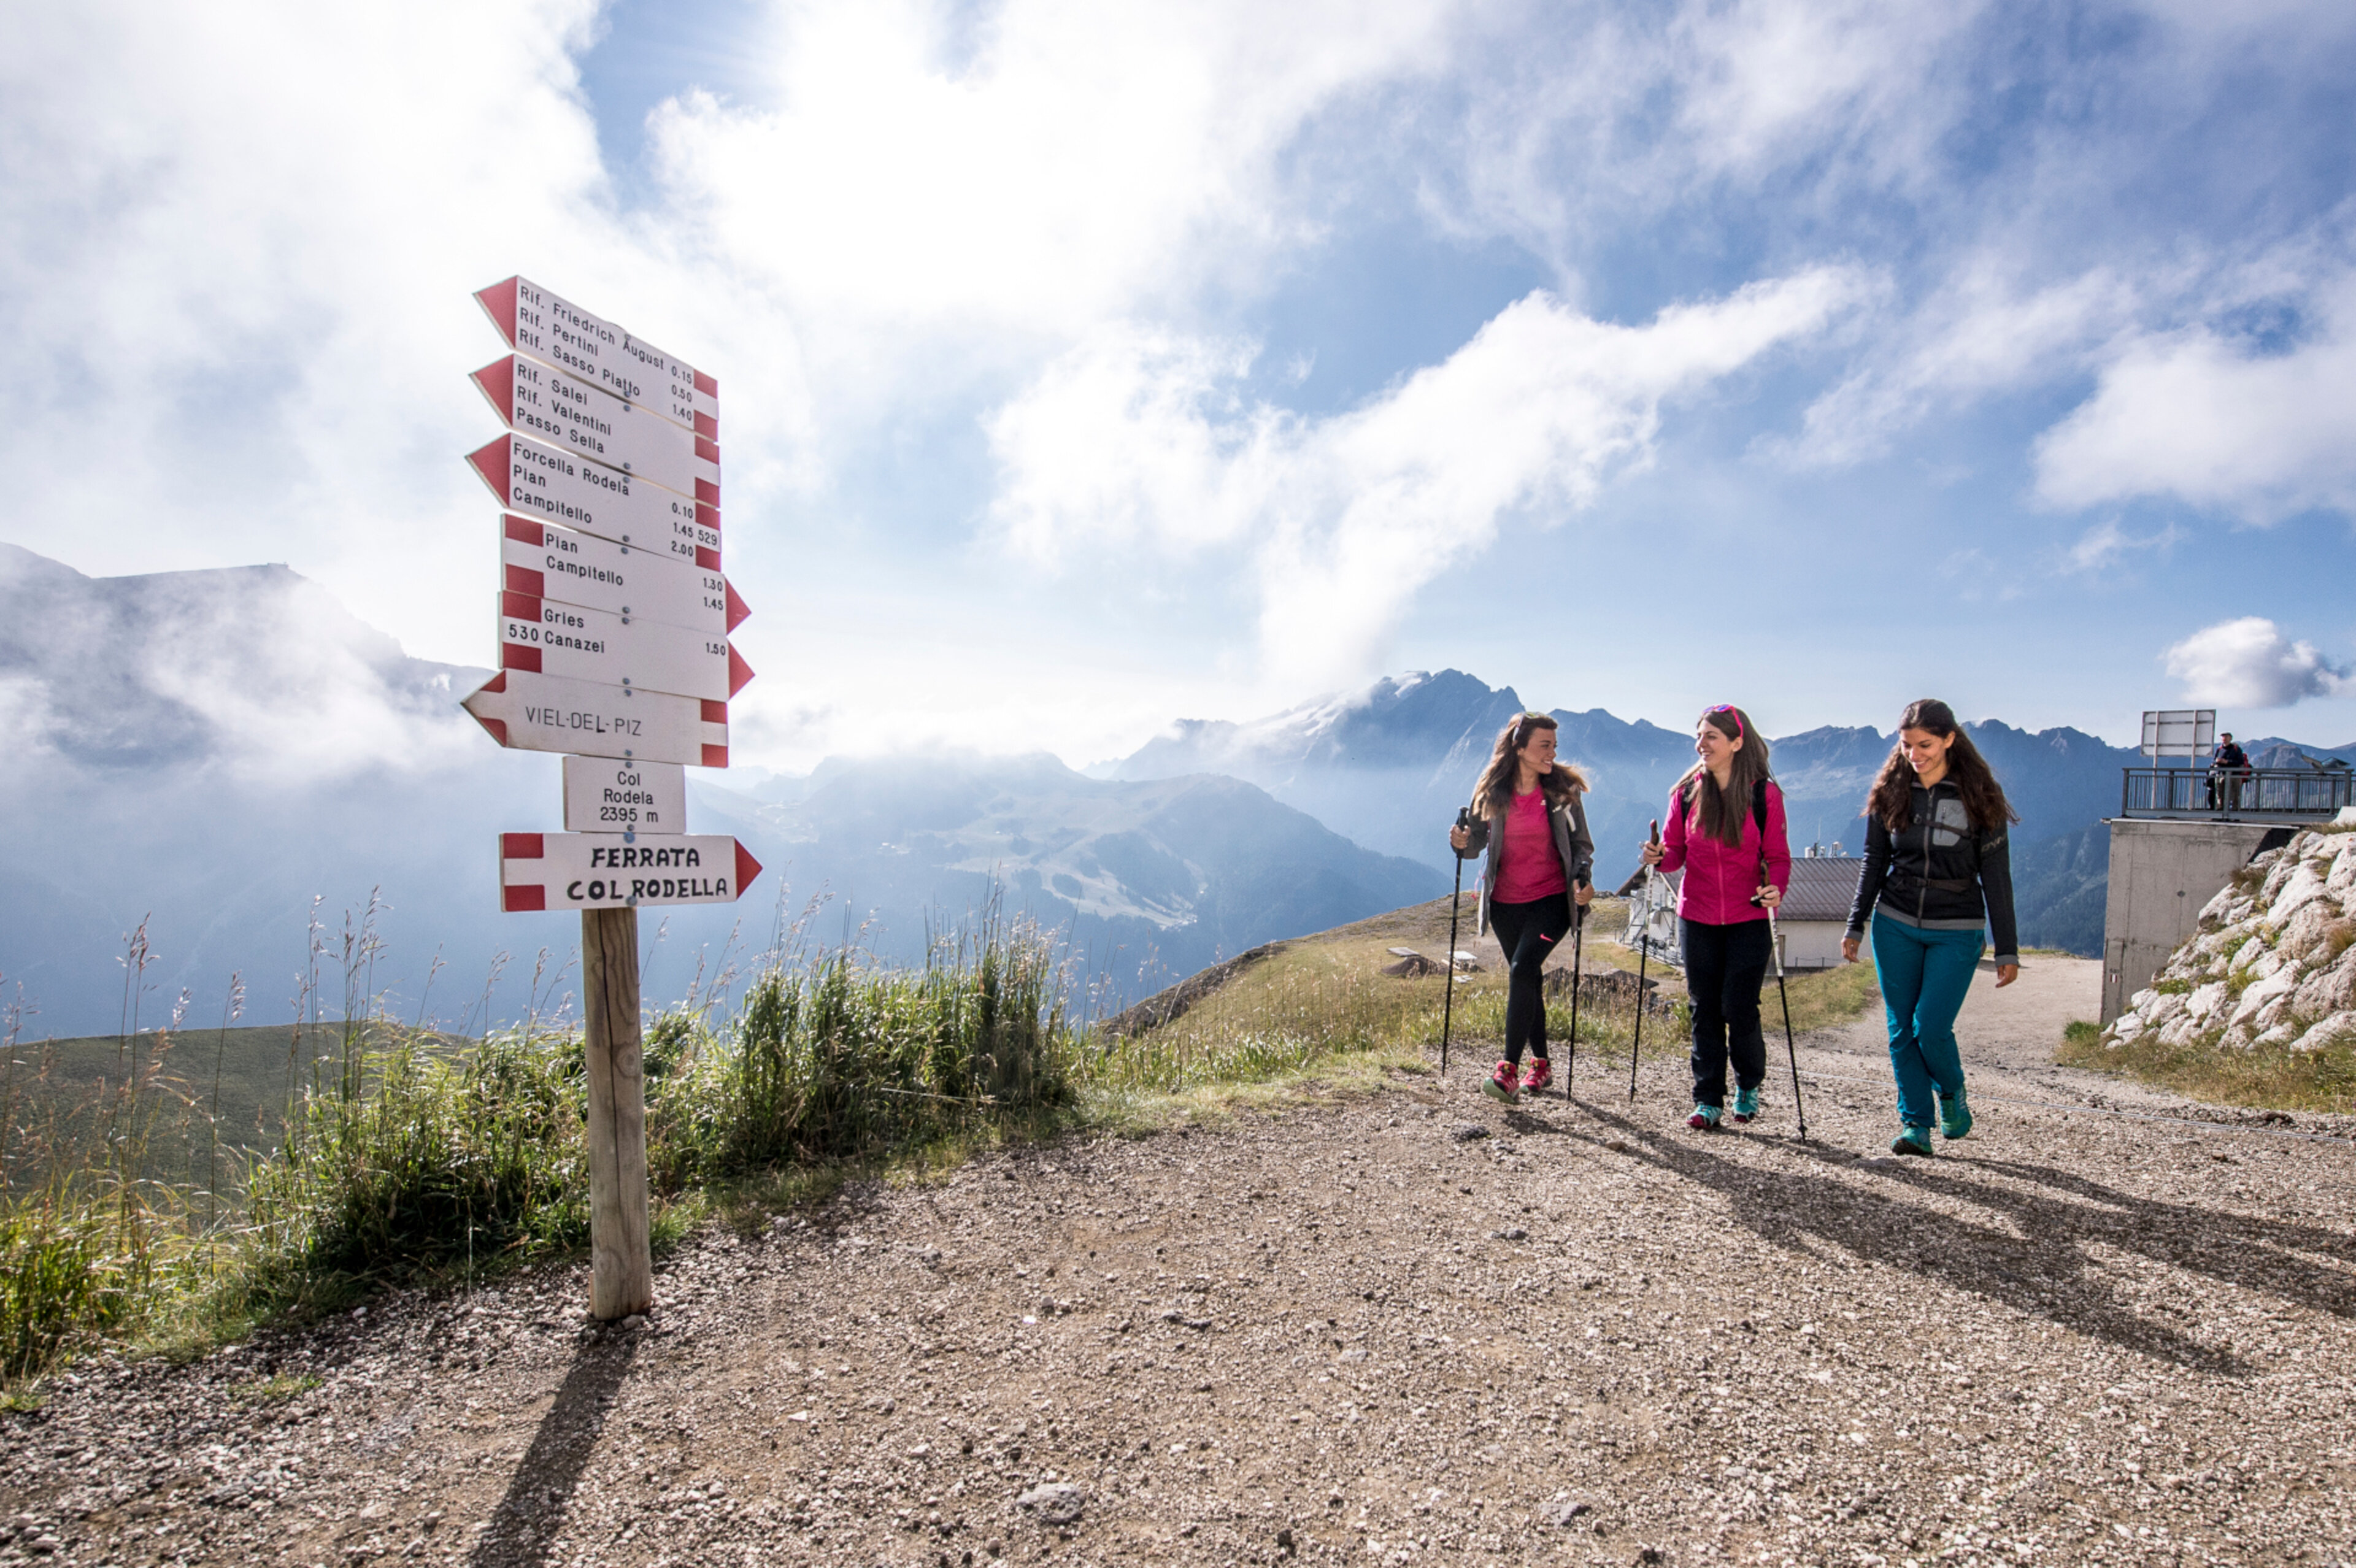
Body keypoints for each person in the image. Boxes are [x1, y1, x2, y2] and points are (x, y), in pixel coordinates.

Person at [1841, 698, 2020, 1156]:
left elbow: (1996, 876)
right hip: (1895, 921)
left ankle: (1952, 1089)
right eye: (1906, 745)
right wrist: (1856, 923)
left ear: (1949, 740)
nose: (1914, 754)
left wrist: (2007, 949)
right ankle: (1916, 1125)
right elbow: (1874, 862)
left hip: (1957, 927)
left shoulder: (1980, 795)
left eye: (1925, 745)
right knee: (1901, 1029)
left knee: (1931, 1028)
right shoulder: (1891, 791)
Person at [1638, 705, 1790, 1131]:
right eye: (1699, 735)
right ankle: (1707, 1099)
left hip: (1749, 916)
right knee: (1704, 1008)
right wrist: (1658, 856)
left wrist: (1776, 888)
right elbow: (1675, 854)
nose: (1700, 745)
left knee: (1739, 1007)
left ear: (1737, 743)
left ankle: (1748, 1084)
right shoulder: (1686, 793)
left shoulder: (1764, 796)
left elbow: (1778, 857)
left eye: (1710, 737)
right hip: (1697, 915)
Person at [1449, 712, 1596, 1102]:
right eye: (1545, 745)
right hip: (1505, 903)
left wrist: (1582, 878)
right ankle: (1542, 1065)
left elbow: (1582, 845)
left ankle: (1508, 1070)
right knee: (1527, 978)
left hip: (1552, 901)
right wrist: (1460, 842)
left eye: (1554, 746)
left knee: (1521, 969)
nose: (1553, 753)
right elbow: (1475, 845)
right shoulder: (1491, 790)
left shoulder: (1563, 792)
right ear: (1519, 747)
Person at [2208, 732, 2250, 810]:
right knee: (2220, 793)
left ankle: (2235, 810)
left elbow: (2240, 762)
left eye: (2226, 737)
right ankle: (2220, 809)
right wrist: (2217, 762)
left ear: (2230, 739)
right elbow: (2214, 761)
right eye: (2223, 737)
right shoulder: (2219, 749)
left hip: (2234, 775)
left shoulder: (2236, 749)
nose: (2225, 739)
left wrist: (2227, 762)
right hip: (2221, 774)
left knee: (2235, 793)